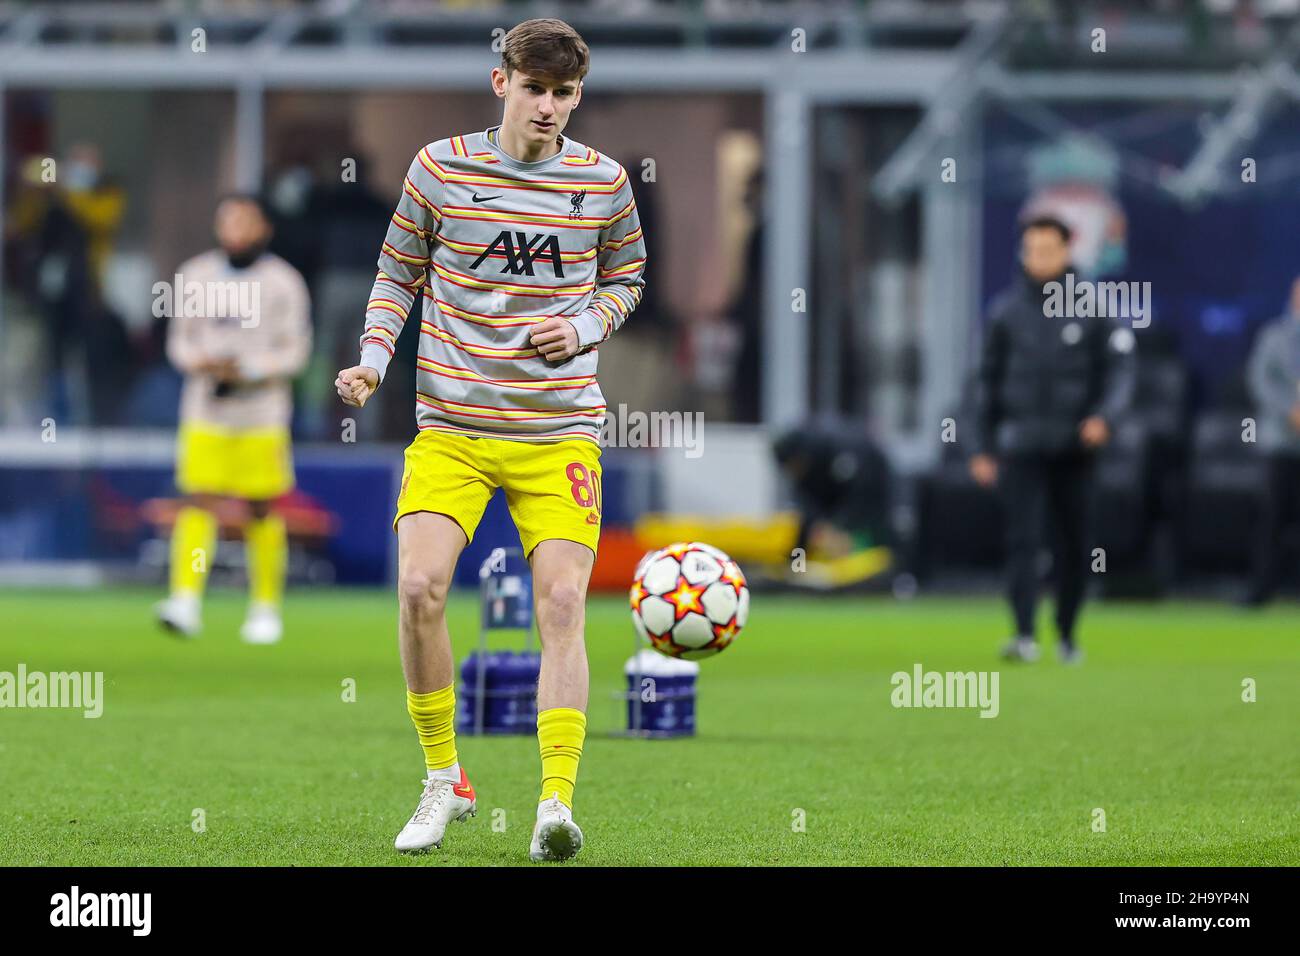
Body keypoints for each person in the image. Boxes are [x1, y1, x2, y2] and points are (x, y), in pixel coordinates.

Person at [334, 18, 646, 861]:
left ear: (578, 96)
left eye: (566, 94)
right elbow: (398, 271)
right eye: (535, 88)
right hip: (454, 427)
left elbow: (627, 277)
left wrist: (583, 324)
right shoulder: (439, 168)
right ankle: (445, 782)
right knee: (420, 591)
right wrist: (371, 361)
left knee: (563, 603)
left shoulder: (605, 183)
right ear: (502, 81)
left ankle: (554, 802)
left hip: (558, 432)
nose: (549, 107)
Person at [968, 215, 1135, 664]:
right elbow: (984, 382)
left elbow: (1120, 372)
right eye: (1031, 249)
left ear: (1066, 252)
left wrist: (1104, 417)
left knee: (1074, 542)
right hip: (1020, 444)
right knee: (1022, 540)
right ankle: (1023, 633)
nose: (1037, 258)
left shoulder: (1093, 306)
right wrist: (981, 446)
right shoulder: (1006, 311)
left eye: (1047, 249)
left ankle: (1066, 633)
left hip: (1074, 448)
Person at [155, 194, 312, 645]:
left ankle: (264, 607)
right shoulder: (195, 275)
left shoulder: (284, 282)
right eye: (228, 222)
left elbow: (297, 350)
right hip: (206, 410)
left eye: (245, 222)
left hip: (261, 413)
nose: (235, 231)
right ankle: (185, 599)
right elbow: (179, 342)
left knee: (260, 506)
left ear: (264, 228)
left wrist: (251, 369)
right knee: (198, 501)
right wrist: (201, 363)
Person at [1241, 278, 1300, 605]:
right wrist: (1290, 411)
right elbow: (1260, 381)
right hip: (1280, 442)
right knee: (1271, 520)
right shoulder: (1273, 336)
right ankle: (1261, 590)